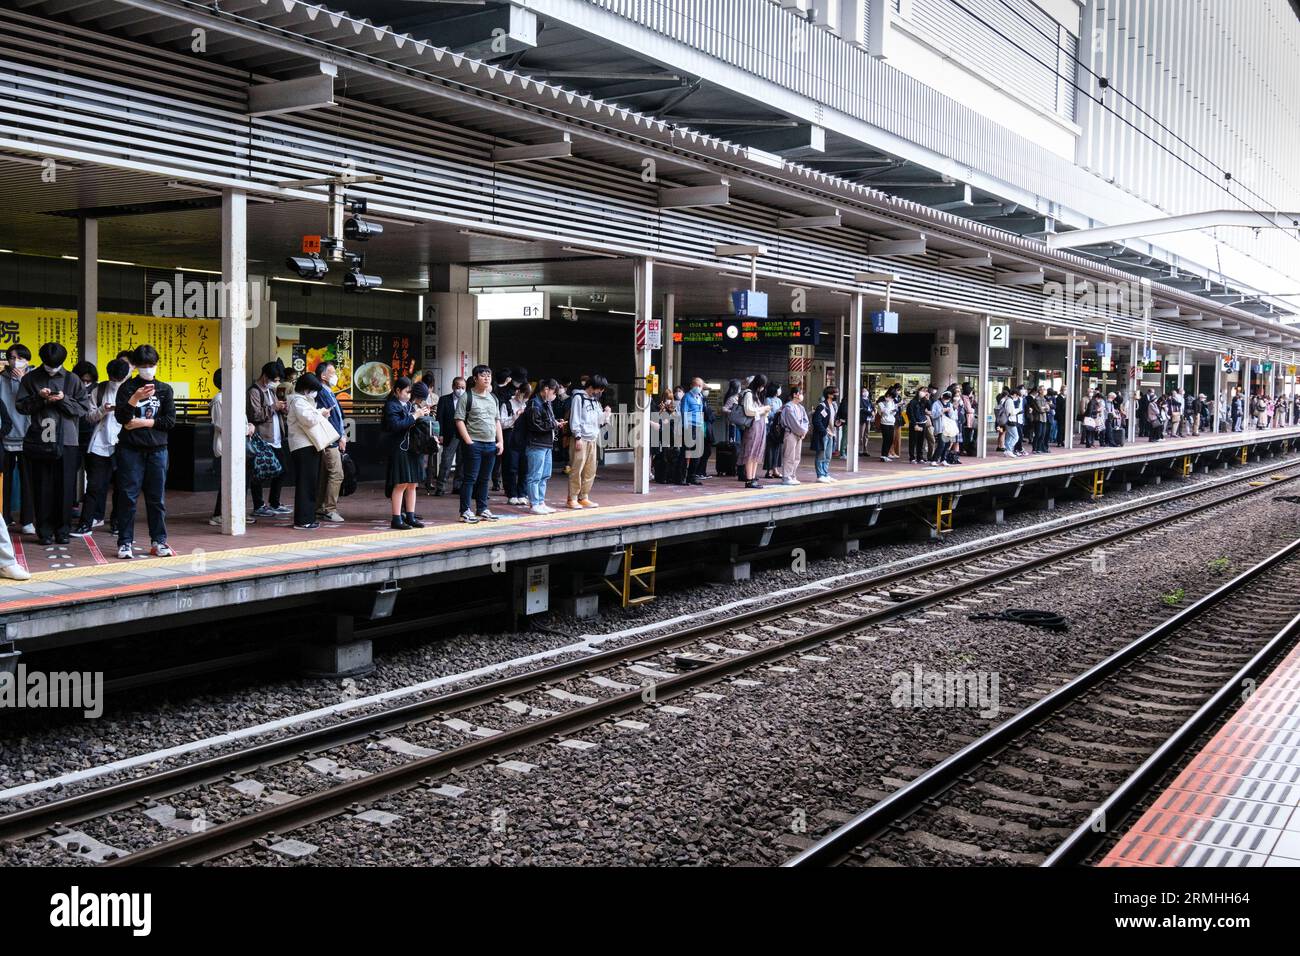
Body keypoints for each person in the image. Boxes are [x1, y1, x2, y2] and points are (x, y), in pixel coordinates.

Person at [15, 342, 91, 545]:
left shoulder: (72, 379)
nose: (51, 369)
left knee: (66, 488)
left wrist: (64, 400)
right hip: (40, 440)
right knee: (42, 487)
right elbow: (21, 406)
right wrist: (40, 399)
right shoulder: (31, 379)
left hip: (67, 441)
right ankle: (45, 532)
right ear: (42, 362)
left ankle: (63, 530)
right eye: (48, 365)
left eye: (55, 365)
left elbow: (83, 409)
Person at [111, 345, 174, 559]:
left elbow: (169, 421)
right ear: (136, 366)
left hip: (158, 450)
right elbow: (121, 418)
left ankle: (159, 541)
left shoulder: (165, 389)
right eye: (144, 366)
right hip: (130, 450)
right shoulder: (127, 388)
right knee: (128, 496)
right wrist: (135, 399)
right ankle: (125, 542)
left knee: (156, 498)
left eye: (152, 365)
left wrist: (141, 422)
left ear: (157, 364)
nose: (148, 369)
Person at [75, 358, 128, 536]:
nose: (115, 382)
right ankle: (85, 524)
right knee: (94, 486)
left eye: (118, 378)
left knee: (122, 487)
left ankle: (117, 522)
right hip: (100, 444)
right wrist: (103, 410)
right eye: (113, 378)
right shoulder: (100, 390)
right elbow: (89, 417)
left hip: (124, 444)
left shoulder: (132, 390)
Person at [209, 367, 257, 527]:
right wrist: (247, 428)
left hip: (237, 445)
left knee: (239, 480)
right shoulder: (220, 399)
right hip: (226, 447)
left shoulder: (232, 397)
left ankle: (235, 511)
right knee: (228, 481)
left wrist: (248, 425)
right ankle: (221, 514)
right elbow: (223, 425)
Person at [457, 365, 504, 522]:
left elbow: (497, 421)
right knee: (470, 478)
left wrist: (501, 441)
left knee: (485, 478)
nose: (486, 378)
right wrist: (468, 441)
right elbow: (459, 420)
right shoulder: (467, 397)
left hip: (490, 444)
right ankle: (465, 510)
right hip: (474, 444)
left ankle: (482, 509)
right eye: (483, 375)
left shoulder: (493, 398)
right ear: (475, 378)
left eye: (489, 375)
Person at [382, 377, 431, 529]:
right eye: (406, 392)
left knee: (412, 483)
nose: (409, 395)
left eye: (410, 392)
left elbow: (412, 423)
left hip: (412, 448)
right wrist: (415, 416)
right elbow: (396, 426)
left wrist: (422, 415)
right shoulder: (391, 406)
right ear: (397, 391)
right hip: (399, 448)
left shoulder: (409, 405)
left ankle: (410, 515)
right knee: (401, 483)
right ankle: (396, 518)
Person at [247, 361, 290, 518]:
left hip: (276, 438)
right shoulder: (254, 392)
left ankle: (275, 502)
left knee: (282, 470)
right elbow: (255, 415)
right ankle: (259, 505)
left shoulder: (270, 391)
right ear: (265, 376)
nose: (277, 382)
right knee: (259, 473)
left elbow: (274, 410)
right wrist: (274, 407)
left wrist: (282, 408)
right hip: (262, 439)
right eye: (275, 379)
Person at [1, 344, 35, 535]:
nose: (16, 361)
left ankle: (28, 520)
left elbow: (38, 402)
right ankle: (4, 517)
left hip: (28, 436)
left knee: (27, 480)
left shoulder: (33, 379)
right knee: (4, 480)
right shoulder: (1, 379)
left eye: (20, 357)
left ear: (27, 359)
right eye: (12, 357)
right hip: (5, 436)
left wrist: (25, 382)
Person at [566, 374, 611, 508]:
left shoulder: (596, 401)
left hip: (592, 438)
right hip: (581, 439)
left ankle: (584, 496)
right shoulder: (579, 398)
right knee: (577, 469)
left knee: (590, 470)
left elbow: (599, 421)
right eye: (600, 389)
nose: (601, 392)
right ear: (593, 387)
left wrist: (606, 414)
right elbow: (575, 419)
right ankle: (572, 498)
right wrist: (578, 436)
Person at [313, 360, 347, 523]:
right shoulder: (321, 393)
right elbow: (329, 419)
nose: (335, 376)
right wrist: (339, 437)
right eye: (332, 372)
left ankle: (320, 507)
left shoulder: (329, 392)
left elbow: (338, 416)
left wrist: (343, 435)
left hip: (332, 439)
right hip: (329, 440)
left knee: (326, 474)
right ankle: (329, 509)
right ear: (323, 376)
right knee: (336, 474)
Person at [524, 378, 561, 514]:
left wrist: (555, 422)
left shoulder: (545, 403)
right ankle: (534, 503)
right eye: (554, 392)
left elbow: (545, 422)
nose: (554, 395)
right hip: (536, 444)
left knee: (544, 475)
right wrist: (553, 424)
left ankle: (540, 501)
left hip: (546, 444)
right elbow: (535, 425)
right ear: (546, 390)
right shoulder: (534, 404)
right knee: (535, 475)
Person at [737, 373, 772, 488]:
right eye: (762, 385)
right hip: (753, 426)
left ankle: (753, 478)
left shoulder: (756, 394)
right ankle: (749, 479)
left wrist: (764, 411)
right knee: (750, 452)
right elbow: (748, 411)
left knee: (756, 451)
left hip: (759, 425)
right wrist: (763, 409)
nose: (763, 388)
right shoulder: (748, 394)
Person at [500, 382, 530, 506]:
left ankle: (522, 493)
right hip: (510, 436)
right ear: (518, 391)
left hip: (524, 437)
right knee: (511, 466)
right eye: (523, 394)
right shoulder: (507, 404)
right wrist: (515, 417)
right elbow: (501, 423)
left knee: (524, 466)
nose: (524, 398)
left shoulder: (528, 405)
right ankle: (511, 493)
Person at [435, 376, 465, 496]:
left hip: (464, 435)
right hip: (449, 434)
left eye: (463, 387)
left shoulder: (468, 399)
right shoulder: (444, 399)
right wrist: (440, 434)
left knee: (461, 462)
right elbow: (439, 418)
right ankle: (440, 487)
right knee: (446, 461)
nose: (460, 390)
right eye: (458, 387)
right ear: (453, 387)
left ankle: (457, 486)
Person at [778, 384, 809, 484]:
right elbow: (793, 423)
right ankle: (786, 477)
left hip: (799, 434)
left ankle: (792, 475)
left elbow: (806, 421)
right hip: (791, 433)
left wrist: (803, 432)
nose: (801, 396)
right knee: (789, 455)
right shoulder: (788, 407)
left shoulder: (801, 407)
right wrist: (803, 432)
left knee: (796, 457)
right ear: (795, 394)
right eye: (800, 393)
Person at [680, 377, 706, 486]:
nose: (699, 388)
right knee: (686, 453)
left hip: (699, 426)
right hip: (689, 426)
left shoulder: (701, 397)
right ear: (692, 386)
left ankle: (692, 476)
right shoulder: (686, 397)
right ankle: (681, 477)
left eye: (700, 386)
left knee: (697, 454)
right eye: (697, 385)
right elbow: (684, 412)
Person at [810, 386, 838, 483]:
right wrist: (824, 432)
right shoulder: (822, 406)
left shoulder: (833, 406)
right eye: (835, 393)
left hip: (831, 434)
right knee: (821, 455)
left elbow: (831, 420)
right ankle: (820, 475)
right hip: (824, 434)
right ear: (829, 395)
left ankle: (825, 473)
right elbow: (816, 420)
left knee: (828, 456)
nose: (836, 395)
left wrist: (837, 423)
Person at [763, 381, 784, 480]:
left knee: (778, 449)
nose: (780, 390)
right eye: (779, 388)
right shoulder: (768, 400)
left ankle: (775, 469)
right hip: (770, 428)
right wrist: (777, 412)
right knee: (770, 449)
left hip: (778, 428)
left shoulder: (779, 400)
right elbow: (767, 414)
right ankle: (769, 470)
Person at [907, 387, 931, 464]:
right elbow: (910, 414)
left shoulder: (924, 401)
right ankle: (912, 458)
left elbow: (930, 408)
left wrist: (927, 399)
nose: (924, 393)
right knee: (913, 441)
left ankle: (919, 457)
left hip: (923, 422)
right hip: (915, 423)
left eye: (926, 391)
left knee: (921, 441)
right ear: (918, 391)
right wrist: (914, 424)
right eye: (923, 391)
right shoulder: (913, 402)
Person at [877, 390, 898, 462]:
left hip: (891, 422)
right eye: (891, 397)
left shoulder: (892, 402)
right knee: (886, 439)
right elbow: (884, 412)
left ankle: (886, 455)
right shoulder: (881, 403)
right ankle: (883, 455)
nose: (891, 399)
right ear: (887, 395)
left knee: (890, 439)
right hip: (884, 423)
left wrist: (894, 410)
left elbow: (893, 413)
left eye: (892, 397)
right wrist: (889, 404)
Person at [858, 386, 874, 456]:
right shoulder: (860, 400)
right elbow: (861, 409)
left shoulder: (868, 400)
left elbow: (872, 407)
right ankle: (859, 450)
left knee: (866, 434)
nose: (865, 392)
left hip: (868, 419)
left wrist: (874, 411)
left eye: (866, 391)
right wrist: (870, 412)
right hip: (862, 419)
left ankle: (865, 449)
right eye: (863, 391)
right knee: (860, 435)